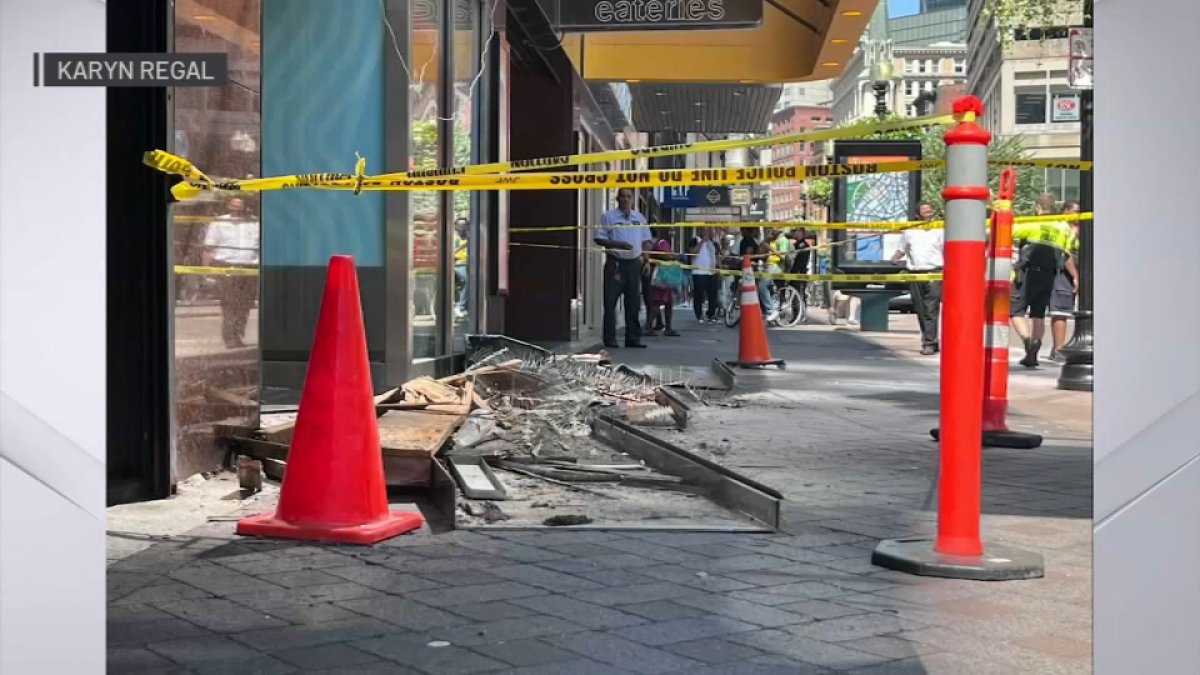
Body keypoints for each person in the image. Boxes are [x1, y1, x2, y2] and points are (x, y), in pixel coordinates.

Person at [1010, 193, 1076, 368]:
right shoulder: (1063, 228)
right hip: (1049, 275)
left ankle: (1027, 341)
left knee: (1015, 311)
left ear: (1038, 207)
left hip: (1027, 273)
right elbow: (1068, 249)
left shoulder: (1031, 223)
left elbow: (1008, 232)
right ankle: (1033, 354)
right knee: (1038, 313)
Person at [595, 188, 653, 348]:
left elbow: (646, 241)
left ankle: (633, 338)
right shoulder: (609, 216)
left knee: (633, 303)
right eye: (623, 196)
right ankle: (610, 339)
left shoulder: (639, 218)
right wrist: (619, 244)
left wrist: (647, 260)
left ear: (632, 200)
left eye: (629, 197)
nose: (626, 199)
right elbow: (599, 239)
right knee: (610, 302)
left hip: (635, 264)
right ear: (617, 199)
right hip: (616, 264)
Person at [203, 197, 260, 349]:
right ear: (228, 206)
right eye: (234, 206)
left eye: (240, 206)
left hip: (249, 269)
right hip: (226, 267)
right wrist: (207, 273)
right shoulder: (218, 223)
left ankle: (237, 335)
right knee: (229, 304)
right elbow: (208, 248)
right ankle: (230, 337)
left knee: (245, 305)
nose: (237, 209)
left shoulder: (255, 223)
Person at [892, 201, 944, 355]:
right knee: (920, 309)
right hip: (915, 274)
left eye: (930, 209)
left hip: (934, 272)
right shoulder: (909, 232)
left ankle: (929, 342)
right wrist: (892, 260)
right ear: (917, 214)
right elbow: (901, 250)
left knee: (931, 309)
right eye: (925, 210)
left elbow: (946, 249)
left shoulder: (940, 229)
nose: (929, 212)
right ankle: (930, 339)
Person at [1047, 200, 1082, 362]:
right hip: (1064, 273)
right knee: (1060, 312)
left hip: (1076, 273)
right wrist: (1075, 276)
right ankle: (1059, 349)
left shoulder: (1078, 229)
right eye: (1075, 211)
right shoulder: (1062, 227)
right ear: (1066, 211)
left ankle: (1059, 349)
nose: (1078, 215)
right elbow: (1065, 253)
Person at [737, 228, 779, 323]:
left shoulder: (764, 243)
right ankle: (765, 310)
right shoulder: (762, 243)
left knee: (761, 287)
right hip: (765, 266)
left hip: (771, 267)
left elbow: (756, 254)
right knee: (760, 287)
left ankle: (770, 310)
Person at [645, 228, 681, 337]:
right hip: (662, 277)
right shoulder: (661, 243)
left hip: (663, 277)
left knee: (668, 303)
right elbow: (662, 255)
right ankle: (648, 326)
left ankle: (667, 328)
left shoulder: (652, 244)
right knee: (658, 303)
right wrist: (674, 256)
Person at [688, 229, 720, 323]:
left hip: (711, 272)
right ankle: (699, 315)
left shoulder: (712, 243)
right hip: (699, 272)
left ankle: (711, 314)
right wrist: (702, 242)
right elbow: (692, 252)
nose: (707, 233)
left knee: (712, 294)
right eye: (704, 231)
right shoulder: (694, 240)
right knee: (699, 295)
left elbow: (715, 256)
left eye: (708, 231)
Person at [453, 217, 469, 318]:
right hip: (458, 264)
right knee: (467, 281)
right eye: (459, 225)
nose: (461, 227)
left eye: (464, 225)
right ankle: (460, 306)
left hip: (468, 263)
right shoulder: (454, 238)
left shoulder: (469, 237)